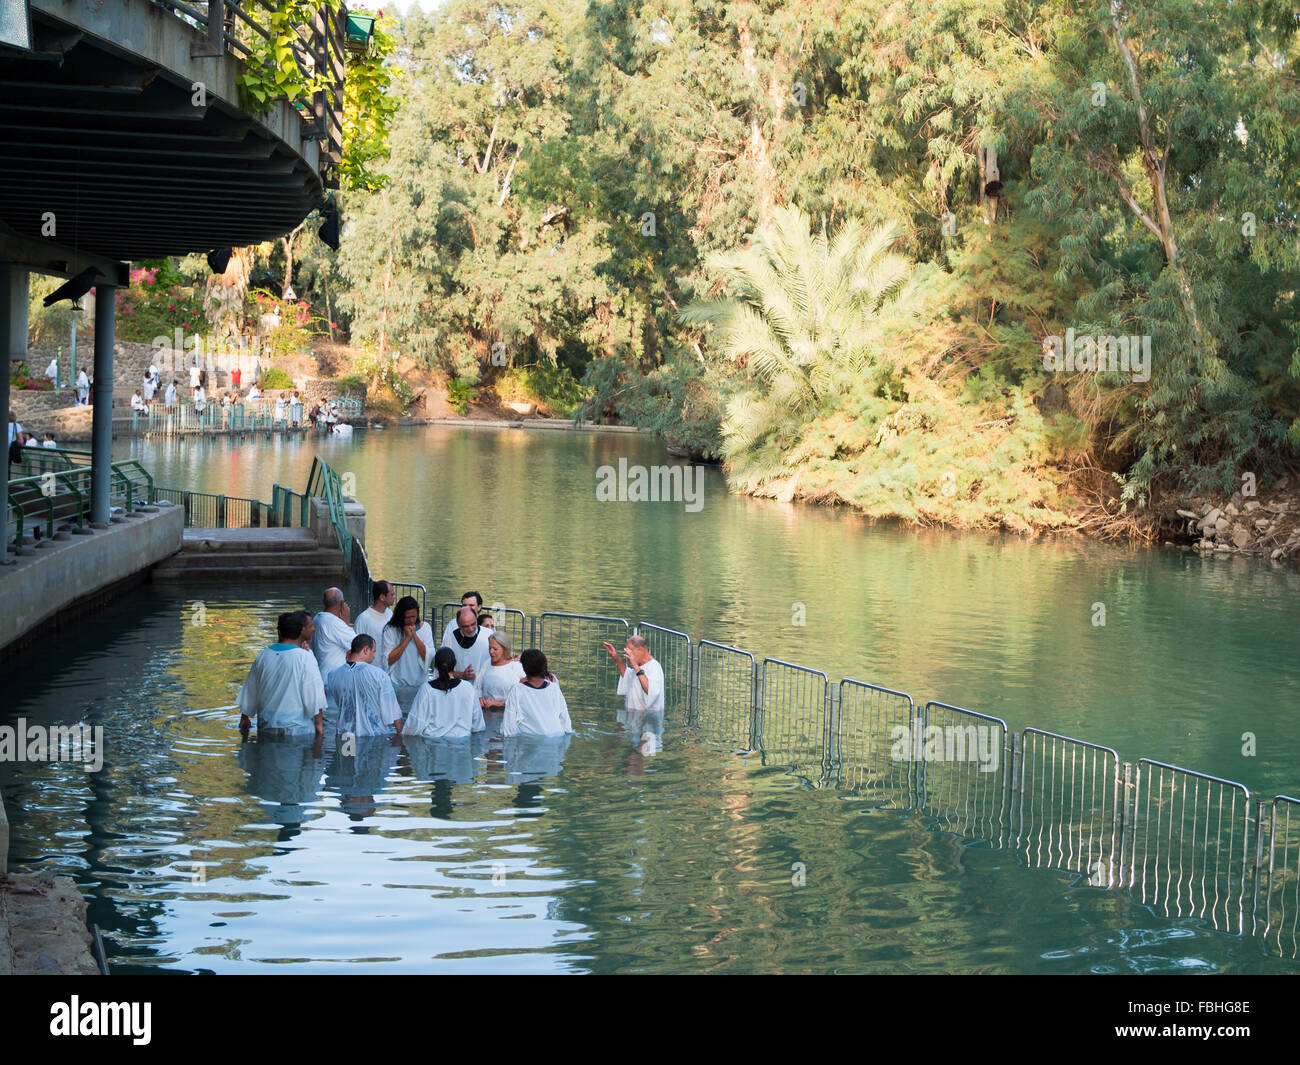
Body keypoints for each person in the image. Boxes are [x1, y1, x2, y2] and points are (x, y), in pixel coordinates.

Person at [237, 612, 326, 739]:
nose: (313, 628)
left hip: (266, 727)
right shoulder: (305, 658)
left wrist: (244, 717)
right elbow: (314, 696)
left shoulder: (262, 656)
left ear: (279, 632)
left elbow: (250, 689)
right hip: (297, 730)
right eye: (310, 626)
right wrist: (319, 726)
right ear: (301, 631)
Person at [325, 634, 402, 737]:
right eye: (373, 651)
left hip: (345, 737)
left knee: (346, 753)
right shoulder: (380, 675)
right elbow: (393, 713)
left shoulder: (332, 676)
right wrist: (400, 736)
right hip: (373, 736)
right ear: (366, 650)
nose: (374, 656)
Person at [404, 648, 485, 739]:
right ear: (454, 663)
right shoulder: (468, 688)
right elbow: (478, 726)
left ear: (435, 665)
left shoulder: (426, 689)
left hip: (433, 744)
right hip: (462, 745)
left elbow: (412, 727)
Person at [380, 596, 434, 714]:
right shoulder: (390, 629)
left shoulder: (425, 628)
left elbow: (428, 656)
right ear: (400, 616)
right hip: (397, 684)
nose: (411, 621)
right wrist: (407, 638)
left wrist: (414, 636)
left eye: (414, 617)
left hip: (419, 683)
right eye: (407, 617)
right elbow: (388, 659)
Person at [503, 649, 573, 738]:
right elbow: (565, 720)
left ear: (524, 668)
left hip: (530, 740)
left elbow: (508, 726)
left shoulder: (517, 690)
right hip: (556, 738)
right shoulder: (554, 687)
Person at [603, 634, 665, 717]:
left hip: (648, 722)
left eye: (630, 652)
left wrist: (635, 666)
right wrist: (616, 657)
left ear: (640, 649)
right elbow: (628, 676)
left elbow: (651, 691)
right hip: (633, 719)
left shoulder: (654, 667)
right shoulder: (639, 667)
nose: (629, 656)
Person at [311, 587, 355, 684]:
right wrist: (347, 622)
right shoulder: (335, 624)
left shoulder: (317, 618)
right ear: (342, 603)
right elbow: (357, 645)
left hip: (322, 676)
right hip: (333, 681)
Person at [443, 605, 492, 684]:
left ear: (476, 618)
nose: (470, 629)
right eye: (466, 626)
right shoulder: (449, 640)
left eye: (473, 624)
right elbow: (441, 670)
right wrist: (461, 675)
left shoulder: (488, 635)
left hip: (483, 690)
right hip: (458, 688)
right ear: (458, 624)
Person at [477, 630, 525, 710]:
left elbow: (524, 696)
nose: (491, 652)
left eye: (495, 649)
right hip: (487, 713)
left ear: (504, 649)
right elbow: (477, 687)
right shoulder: (486, 664)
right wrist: (479, 699)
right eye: (490, 648)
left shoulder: (516, 666)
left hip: (509, 712)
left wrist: (500, 703)